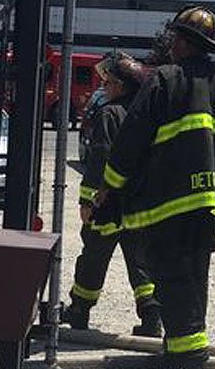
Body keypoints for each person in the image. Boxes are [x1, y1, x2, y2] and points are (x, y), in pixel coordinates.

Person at [99, 6, 215, 368]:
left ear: (182, 41)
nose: (171, 45)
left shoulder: (165, 79)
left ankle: (187, 354)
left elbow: (132, 137)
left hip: (169, 198)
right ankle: (182, 346)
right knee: (194, 273)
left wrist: (109, 185)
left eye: (174, 38)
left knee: (171, 273)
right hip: (212, 202)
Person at [64, 53, 161, 336]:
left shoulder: (110, 113)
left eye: (107, 82)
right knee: (141, 261)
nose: (104, 87)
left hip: (108, 201)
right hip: (140, 204)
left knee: (94, 256)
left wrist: (88, 199)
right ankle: (152, 316)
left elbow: (100, 157)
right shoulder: (147, 114)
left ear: (119, 86)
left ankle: (80, 311)